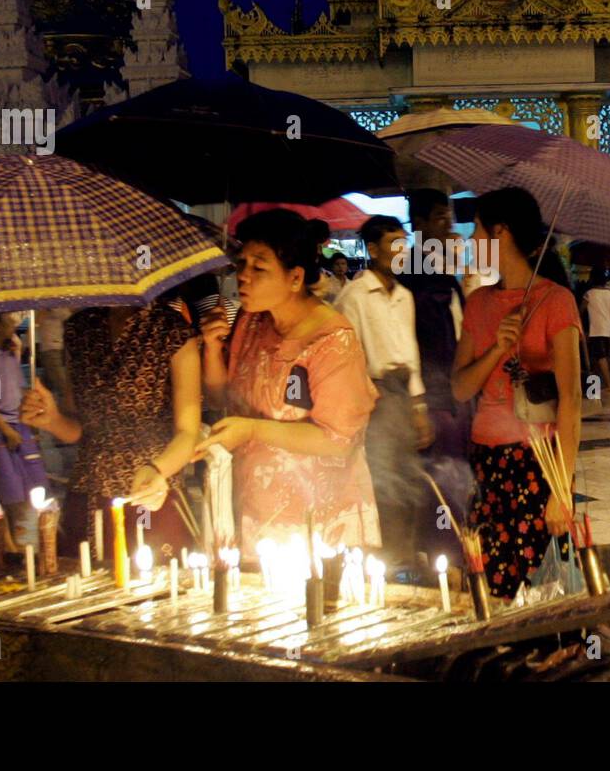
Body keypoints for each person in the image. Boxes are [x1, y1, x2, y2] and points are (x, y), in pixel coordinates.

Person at [197, 210, 381, 557]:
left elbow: (337, 440)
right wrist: (210, 348)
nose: (243, 278)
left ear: (295, 277)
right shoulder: (251, 322)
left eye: (259, 268)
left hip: (320, 521)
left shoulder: (332, 339)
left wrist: (252, 431)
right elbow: (222, 395)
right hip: (258, 509)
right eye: (241, 265)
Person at [451, 187, 581, 600]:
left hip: (536, 462)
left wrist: (561, 489)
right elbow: (460, 387)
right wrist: (498, 349)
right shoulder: (478, 303)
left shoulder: (556, 301)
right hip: (485, 458)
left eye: (476, 230)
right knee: (491, 578)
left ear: (500, 233)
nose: (472, 241)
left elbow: (572, 399)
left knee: (540, 582)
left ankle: (548, 659)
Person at [19, 297, 202, 562]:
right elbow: (79, 428)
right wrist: (51, 419)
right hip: (89, 489)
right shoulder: (80, 329)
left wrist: (157, 469)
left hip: (150, 492)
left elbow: (188, 432)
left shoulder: (172, 331)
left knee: (154, 593)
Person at [335, 214, 433, 569]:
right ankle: (382, 561)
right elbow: (349, 357)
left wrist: (418, 406)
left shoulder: (404, 296)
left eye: (402, 243)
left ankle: (405, 554)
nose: (400, 251)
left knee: (408, 479)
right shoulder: (354, 296)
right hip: (374, 398)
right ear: (373, 249)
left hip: (403, 395)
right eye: (393, 244)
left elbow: (411, 353)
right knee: (381, 480)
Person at [402, 189, 472, 558]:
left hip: (457, 393)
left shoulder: (447, 272)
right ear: (419, 224)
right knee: (441, 477)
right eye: (441, 218)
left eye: (451, 218)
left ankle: (457, 552)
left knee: (457, 475)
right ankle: (444, 559)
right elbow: (407, 339)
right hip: (434, 396)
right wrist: (417, 404)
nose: (450, 225)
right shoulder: (413, 273)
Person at [0, 312, 47, 547]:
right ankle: (19, 546)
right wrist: (6, 430)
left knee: (36, 486)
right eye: (8, 321)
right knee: (13, 493)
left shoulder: (9, 353)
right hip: (3, 430)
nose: (14, 325)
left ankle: (37, 544)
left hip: (21, 426)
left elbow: (16, 388)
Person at [582, 269, 610, 395]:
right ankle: (596, 386)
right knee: (600, 356)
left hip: (595, 328)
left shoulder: (589, 294)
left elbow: (581, 310)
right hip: (608, 328)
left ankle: (608, 385)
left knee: (600, 357)